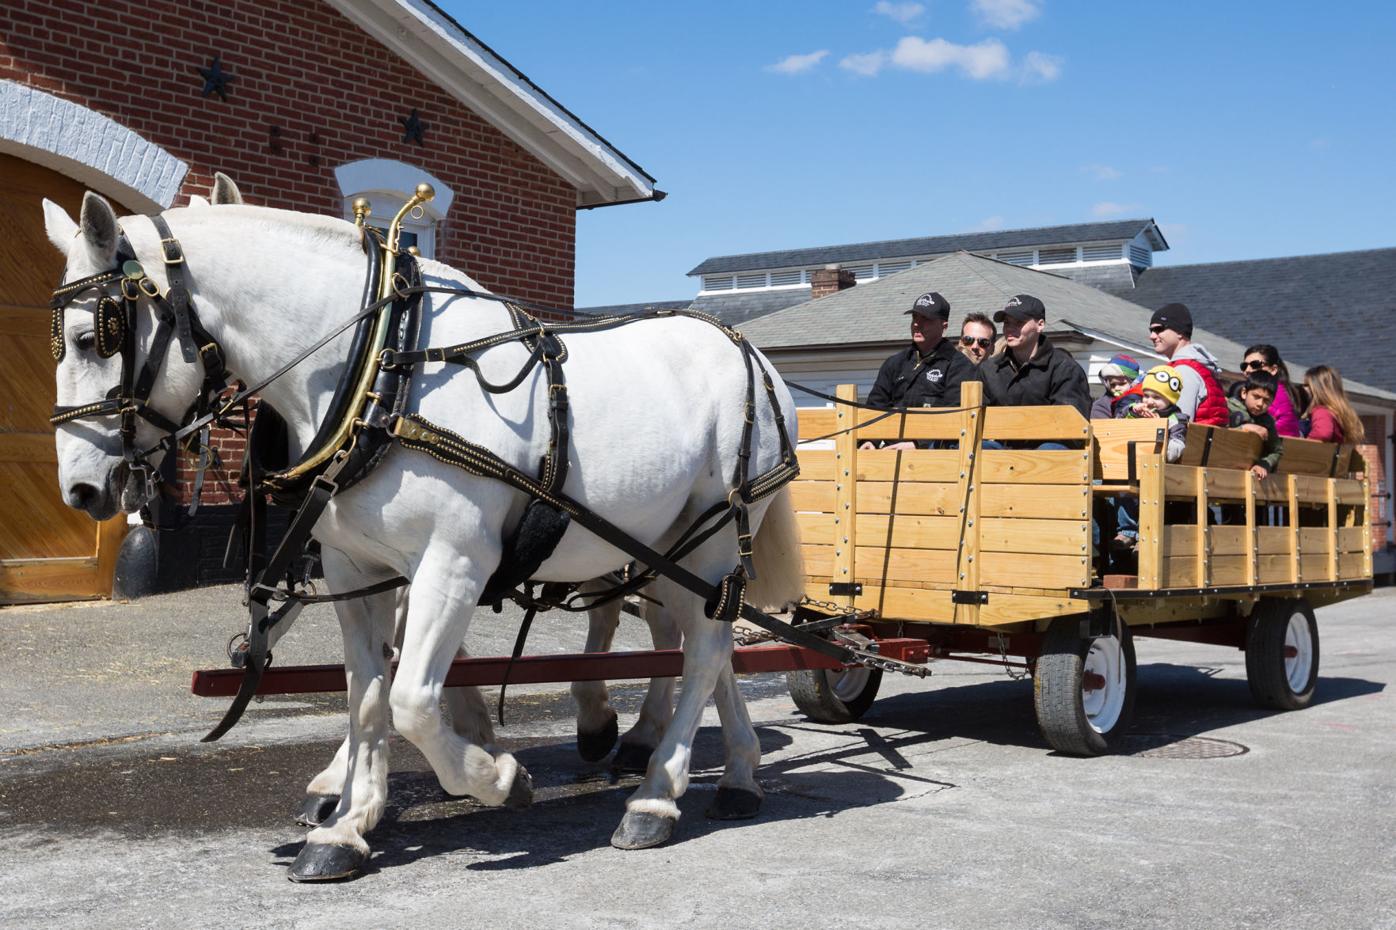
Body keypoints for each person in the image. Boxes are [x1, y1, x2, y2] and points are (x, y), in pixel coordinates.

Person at [864, 291, 981, 450]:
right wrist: (869, 441)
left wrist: (917, 444)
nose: (917, 324)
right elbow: (875, 406)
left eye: (926, 319)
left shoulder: (959, 366)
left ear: (944, 326)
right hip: (888, 456)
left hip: (934, 459)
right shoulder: (894, 363)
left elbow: (955, 416)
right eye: (915, 318)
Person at [980, 294, 1092, 417]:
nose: (1010, 329)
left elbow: (1070, 424)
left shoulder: (1064, 369)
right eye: (1007, 323)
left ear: (1040, 325)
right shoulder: (989, 369)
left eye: (1018, 322)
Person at [1147, 303, 1229, 427]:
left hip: (1192, 445)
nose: (1152, 336)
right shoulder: (1198, 366)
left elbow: (1178, 427)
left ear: (1180, 332)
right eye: (1151, 330)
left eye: (1159, 329)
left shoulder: (1183, 371)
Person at [1116, 364, 1191, 462]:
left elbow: (1172, 454)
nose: (1149, 401)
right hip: (1129, 461)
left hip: (1158, 468)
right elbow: (1116, 425)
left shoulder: (1176, 420)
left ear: (1170, 400)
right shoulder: (1138, 408)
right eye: (1146, 396)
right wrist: (1133, 412)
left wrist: (1159, 426)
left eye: (1156, 397)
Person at [1227, 370, 1284, 481]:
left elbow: (1276, 451)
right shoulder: (1228, 409)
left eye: (1266, 400)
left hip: (1247, 478)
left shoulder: (1268, 422)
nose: (1260, 404)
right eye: (1256, 397)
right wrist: (1242, 428)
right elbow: (1218, 435)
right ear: (1244, 393)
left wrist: (1263, 464)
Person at [1240, 344, 1303, 437]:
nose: (1248, 370)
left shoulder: (1272, 393)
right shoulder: (1282, 389)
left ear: (1273, 369)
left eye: (1255, 365)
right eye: (1244, 366)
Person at [1303, 365, 1365, 444]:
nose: (1303, 388)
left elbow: (1322, 434)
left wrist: (1302, 446)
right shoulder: (1338, 413)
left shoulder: (1321, 412)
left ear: (1318, 389)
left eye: (1307, 385)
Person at [1091, 353, 1143, 419]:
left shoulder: (1144, 398)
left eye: (1122, 384)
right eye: (1112, 385)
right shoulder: (1101, 406)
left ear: (1134, 383)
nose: (1116, 388)